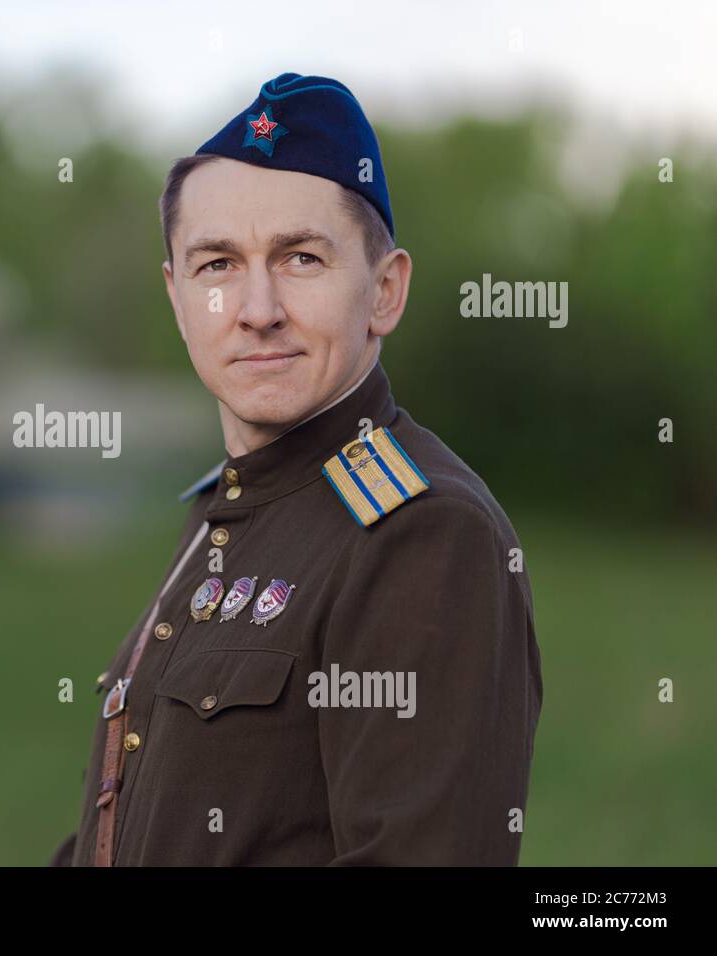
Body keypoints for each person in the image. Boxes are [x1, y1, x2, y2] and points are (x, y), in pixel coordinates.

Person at [48, 71, 542, 866]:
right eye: (217, 266)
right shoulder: (228, 505)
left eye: (302, 258)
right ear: (178, 299)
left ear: (384, 292)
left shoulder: (422, 534)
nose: (257, 308)